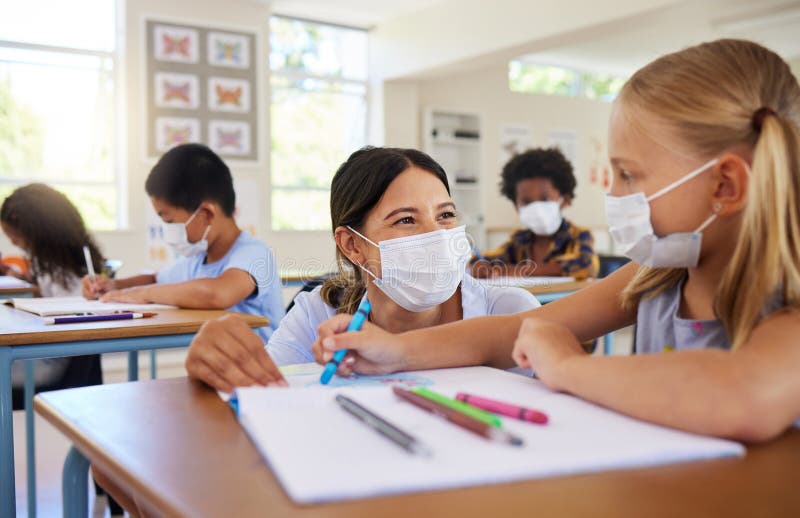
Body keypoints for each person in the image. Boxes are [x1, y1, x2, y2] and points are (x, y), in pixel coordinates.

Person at [312, 39, 800, 443]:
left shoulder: (788, 293)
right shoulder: (658, 273)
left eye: (628, 175)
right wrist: (393, 352)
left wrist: (567, 367)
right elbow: (514, 330)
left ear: (725, 186)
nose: (612, 193)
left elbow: (746, 398)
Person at [184, 146, 540, 391]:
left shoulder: (509, 310)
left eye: (445, 215)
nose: (436, 236)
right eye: (405, 220)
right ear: (353, 245)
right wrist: (217, 364)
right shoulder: (318, 315)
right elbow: (259, 399)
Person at [81, 143, 284, 341]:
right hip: (223, 371)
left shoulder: (256, 254)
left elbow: (218, 294)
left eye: (169, 221)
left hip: (268, 371)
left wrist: (143, 294)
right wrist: (113, 286)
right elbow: (156, 279)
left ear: (206, 214)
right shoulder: (198, 260)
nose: (167, 230)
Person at [1, 183, 105, 402]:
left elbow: (64, 317)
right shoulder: (58, 262)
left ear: (39, 233)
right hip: (46, 354)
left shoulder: (65, 271)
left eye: (17, 240)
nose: (15, 245)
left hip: (50, 362)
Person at [471, 147, 598, 279]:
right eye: (526, 202)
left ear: (564, 200)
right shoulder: (519, 241)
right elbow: (485, 259)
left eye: (544, 199)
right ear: (516, 206)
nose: (536, 207)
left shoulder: (580, 235)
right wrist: (481, 267)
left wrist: (522, 270)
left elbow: (586, 265)